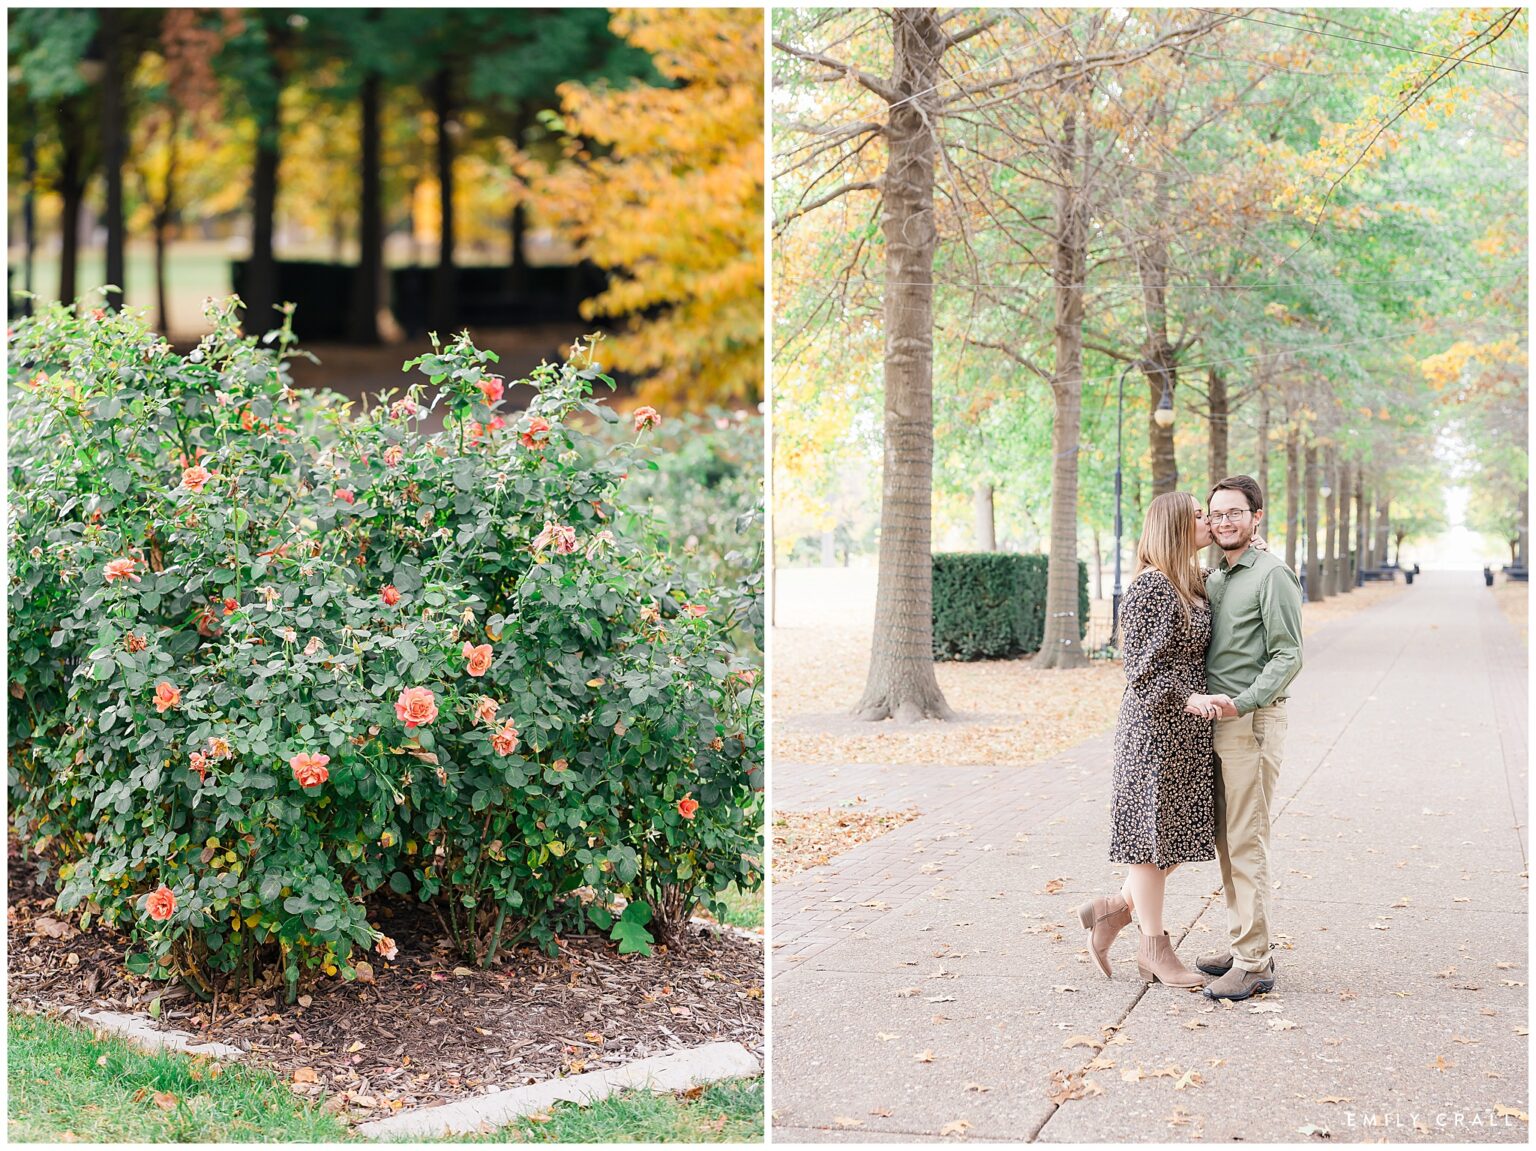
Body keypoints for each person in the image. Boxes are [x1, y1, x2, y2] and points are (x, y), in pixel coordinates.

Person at [1077, 491, 1236, 988]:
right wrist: (1189, 697)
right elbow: (1142, 670)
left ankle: (1112, 911)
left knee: (1171, 841)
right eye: (1197, 516)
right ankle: (1153, 948)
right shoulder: (1150, 587)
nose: (1207, 520)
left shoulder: (1189, 581)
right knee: (1150, 846)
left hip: (1187, 730)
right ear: (1173, 526)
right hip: (1154, 730)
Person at [1192, 474, 1303, 1001]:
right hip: (1216, 721)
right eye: (1216, 514)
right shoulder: (1218, 575)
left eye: (1235, 512)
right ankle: (1244, 945)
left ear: (1256, 516)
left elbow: (1288, 654)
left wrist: (1242, 703)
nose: (1224, 522)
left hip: (1251, 723)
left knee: (1246, 839)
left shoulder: (1272, 575)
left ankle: (1255, 962)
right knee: (1226, 840)